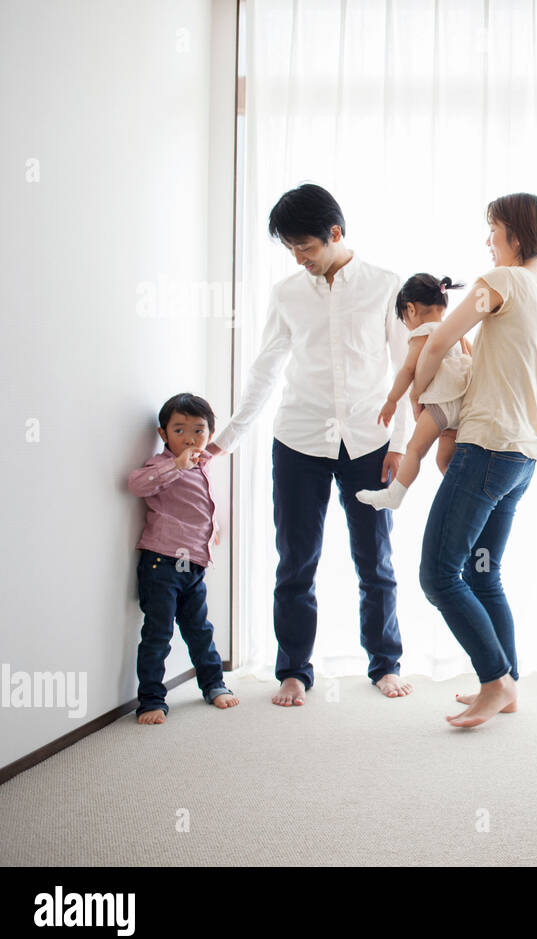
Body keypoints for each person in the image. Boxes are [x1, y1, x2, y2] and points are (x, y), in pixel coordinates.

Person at [207, 183, 413, 706]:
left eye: (307, 248)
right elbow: (265, 369)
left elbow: (406, 371)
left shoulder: (386, 286)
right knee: (295, 561)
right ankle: (294, 670)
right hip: (298, 442)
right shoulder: (287, 295)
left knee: (376, 560)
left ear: (335, 233)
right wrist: (229, 437)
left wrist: (403, 445)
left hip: (370, 443)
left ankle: (385, 664)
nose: (299, 260)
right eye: (291, 250)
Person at [410, 193, 537, 728]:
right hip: (522, 454)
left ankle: (494, 679)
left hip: (489, 448)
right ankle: (507, 683)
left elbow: (437, 342)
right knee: (482, 573)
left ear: (515, 236)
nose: (489, 241)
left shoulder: (501, 280)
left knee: (438, 575)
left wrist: (417, 398)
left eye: (492, 230)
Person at [128, 393, 238, 723]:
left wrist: (212, 529)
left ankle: (214, 684)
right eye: (179, 431)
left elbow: (198, 507)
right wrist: (176, 465)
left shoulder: (202, 467)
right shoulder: (163, 465)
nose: (189, 438)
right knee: (158, 634)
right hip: (162, 564)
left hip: (193, 566)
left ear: (209, 433)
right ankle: (150, 700)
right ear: (163, 434)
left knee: (200, 629)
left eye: (198, 431)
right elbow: (137, 485)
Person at [356, 273, 473, 511]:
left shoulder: (424, 332)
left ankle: (395, 495)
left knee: (414, 450)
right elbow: (471, 360)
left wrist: (391, 400)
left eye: (404, 320)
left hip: (439, 406)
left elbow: (408, 369)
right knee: (445, 461)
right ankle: (465, 500)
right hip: (462, 408)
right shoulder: (456, 333)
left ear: (410, 309)